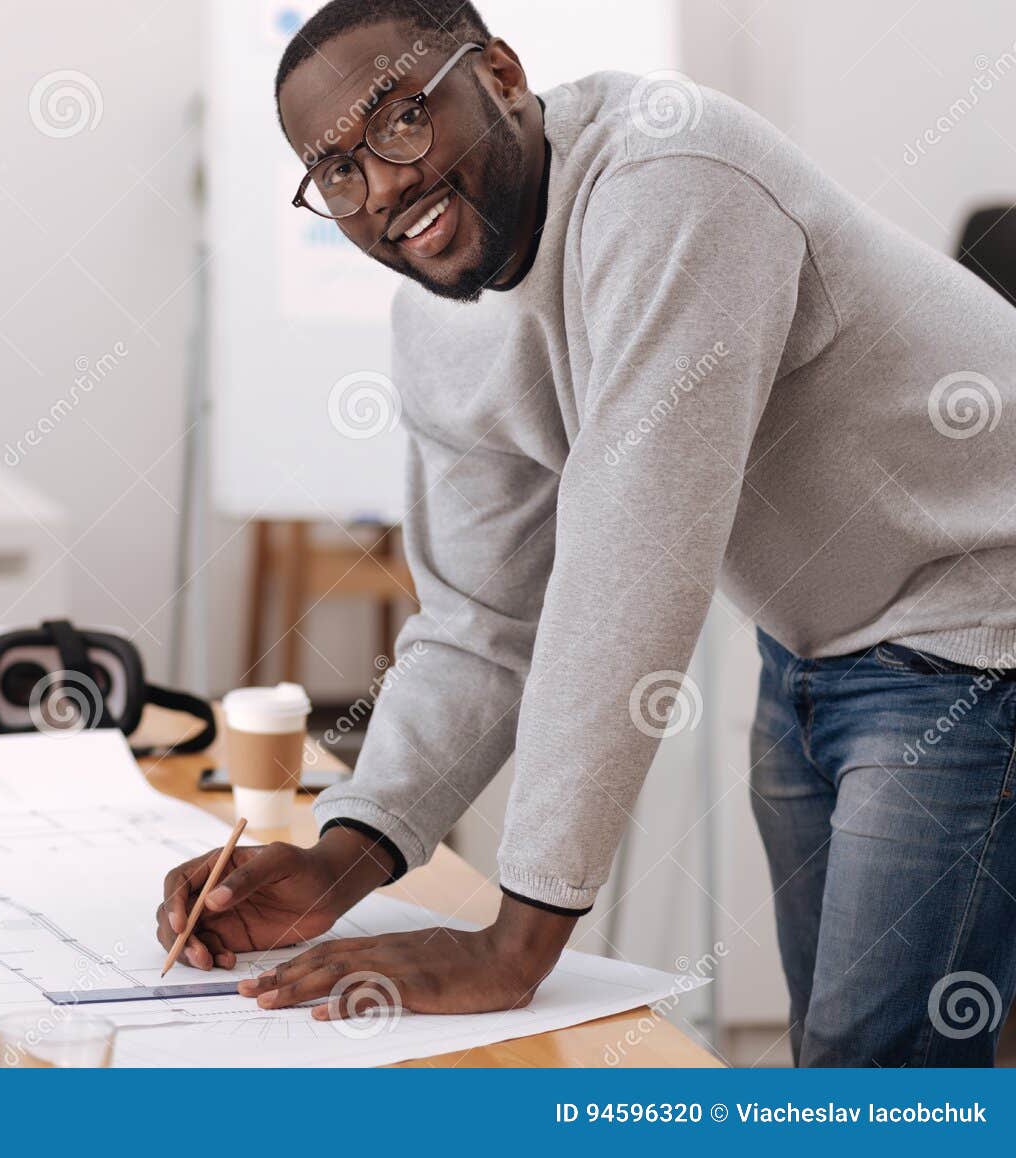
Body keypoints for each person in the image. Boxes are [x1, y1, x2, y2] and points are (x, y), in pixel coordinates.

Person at [155, 0, 1016, 1066]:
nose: (380, 187)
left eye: (401, 121)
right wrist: (347, 853)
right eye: (337, 171)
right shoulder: (441, 317)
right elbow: (481, 620)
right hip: (814, 643)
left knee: (874, 1085)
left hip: (975, 628)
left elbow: (632, 555)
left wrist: (516, 942)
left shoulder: (671, 180)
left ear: (502, 74)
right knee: (841, 1073)